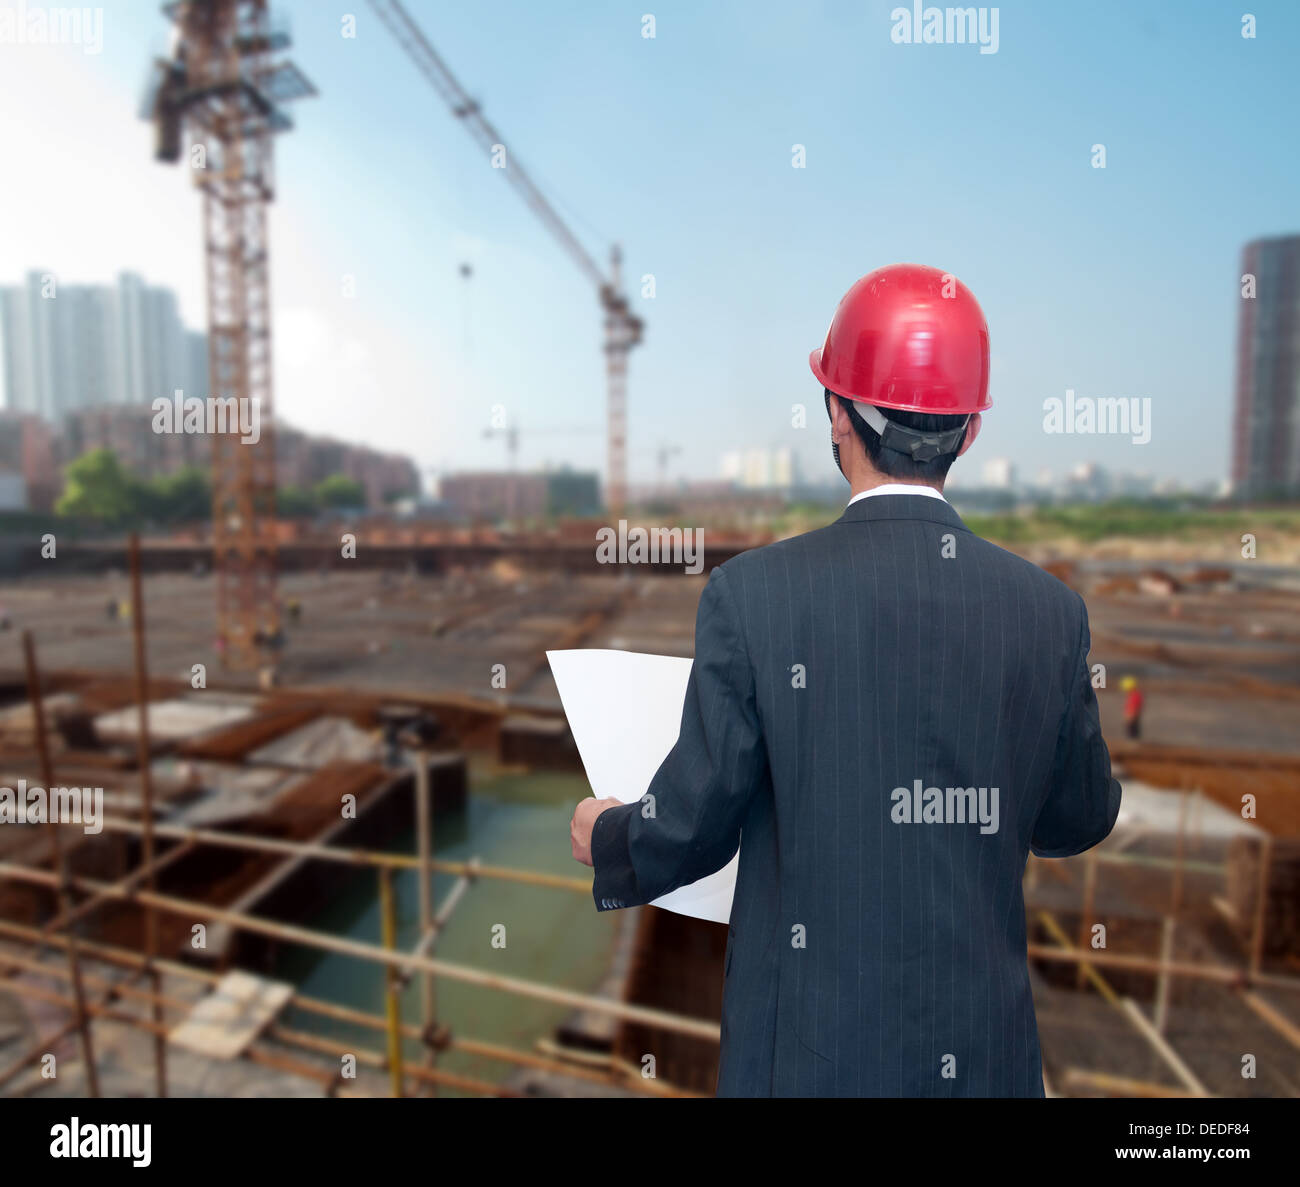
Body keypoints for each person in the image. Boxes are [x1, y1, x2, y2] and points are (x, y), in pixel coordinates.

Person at [569, 264, 1121, 1097]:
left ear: (836, 412)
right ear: (969, 431)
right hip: (985, 1063)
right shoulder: (1049, 613)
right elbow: (1079, 816)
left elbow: (695, 825)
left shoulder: (754, 596)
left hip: (808, 1065)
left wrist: (611, 836)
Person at [1121, 675, 1144, 739]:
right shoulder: (1134, 695)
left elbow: (1133, 709)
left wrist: (1130, 718)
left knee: (1133, 736)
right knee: (1132, 735)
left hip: (1132, 720)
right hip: (1132, 719)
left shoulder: (1134, 695)